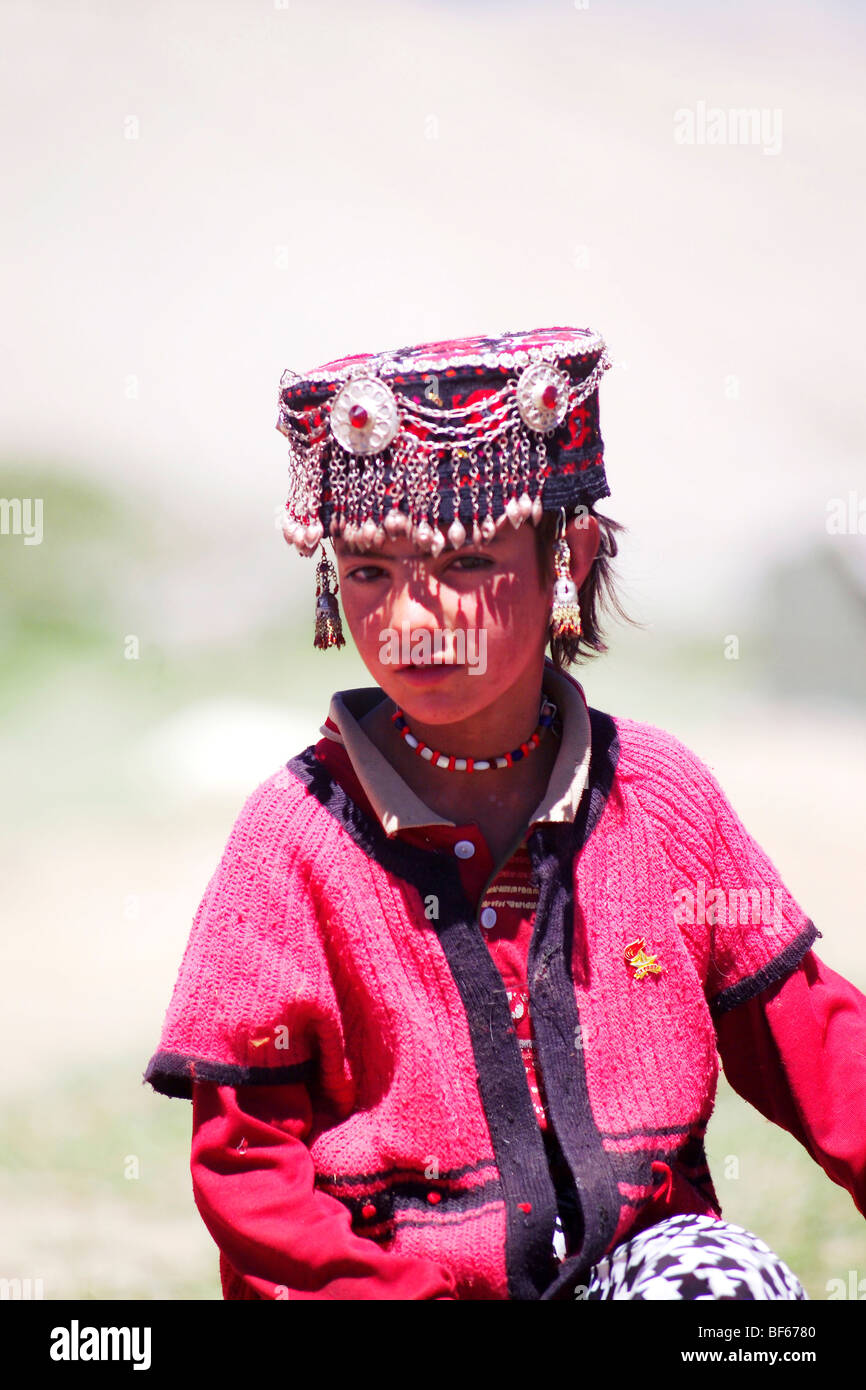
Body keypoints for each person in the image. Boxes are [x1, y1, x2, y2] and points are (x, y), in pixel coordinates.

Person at [144, 326, 866, 1300]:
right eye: (367, 571)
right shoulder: (291, 836)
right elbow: (246, 1166)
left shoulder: (660, 794)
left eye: (465, 562)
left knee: (728, 1298)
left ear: (564, 548)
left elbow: (816, 1048)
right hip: (374, 1291)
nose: (409, 617)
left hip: (626, 1269)